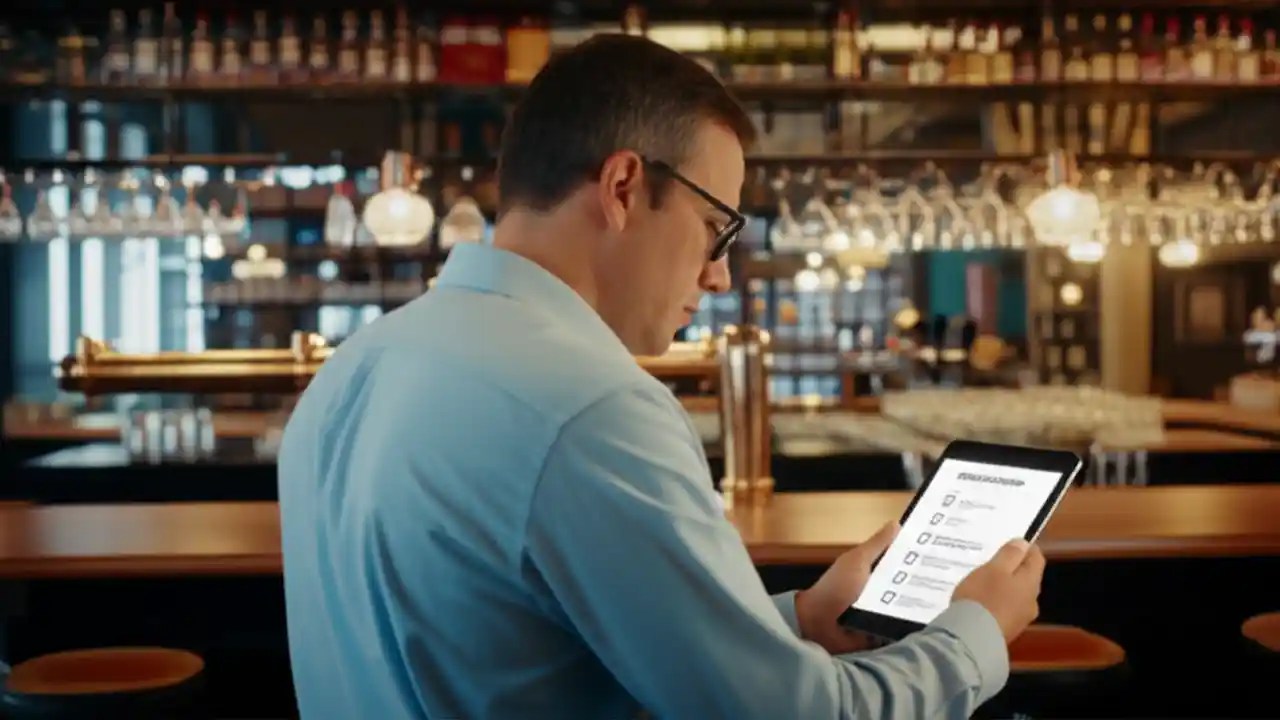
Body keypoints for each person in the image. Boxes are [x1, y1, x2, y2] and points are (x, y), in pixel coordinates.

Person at [277, 33, 1045, 720]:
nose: (719, 277)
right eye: (717, 229)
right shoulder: (590, 408)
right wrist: (974, 633)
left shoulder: (353, 370)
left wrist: (802, 619)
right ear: (621, 189)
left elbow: (531, 657)